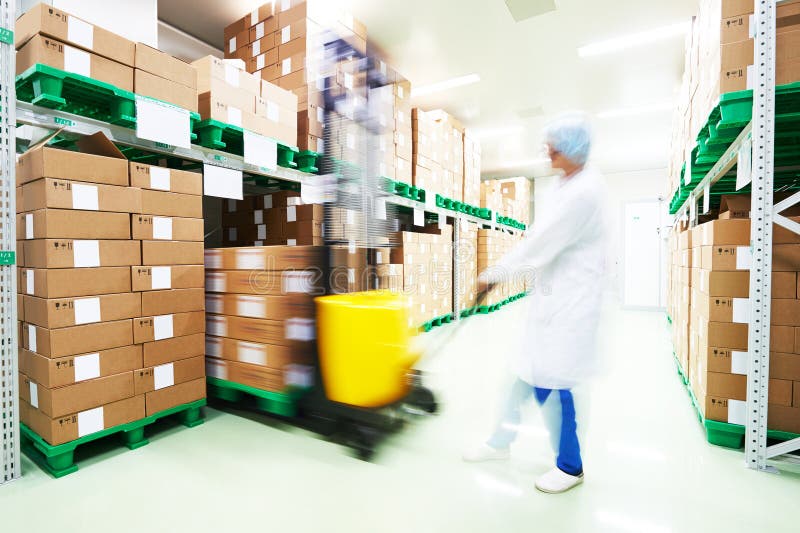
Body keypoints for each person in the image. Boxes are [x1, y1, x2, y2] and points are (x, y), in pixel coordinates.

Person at [463, 112, 607, 494]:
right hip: (550, 301)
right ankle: (499, 443)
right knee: (523, 373)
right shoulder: (564, 184)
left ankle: (570, 465)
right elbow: (539, 241)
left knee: (552, 383)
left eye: (554, 145)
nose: (547, 150)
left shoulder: (583, 193)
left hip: (570, 305)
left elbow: (539, 246)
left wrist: (492, 276)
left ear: (574, 149)